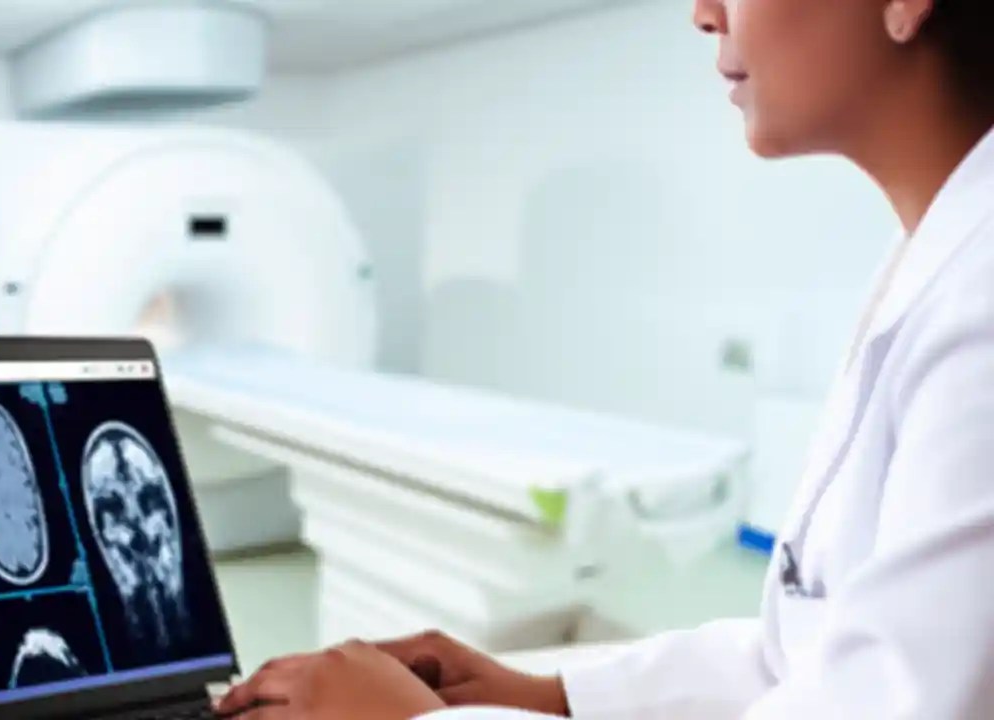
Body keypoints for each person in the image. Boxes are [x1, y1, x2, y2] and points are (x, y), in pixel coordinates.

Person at [215, 0, 994, 716]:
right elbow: (803, 658)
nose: (704, 13)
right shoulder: (933, 261)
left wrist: (408, 719)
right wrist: (546, 693)